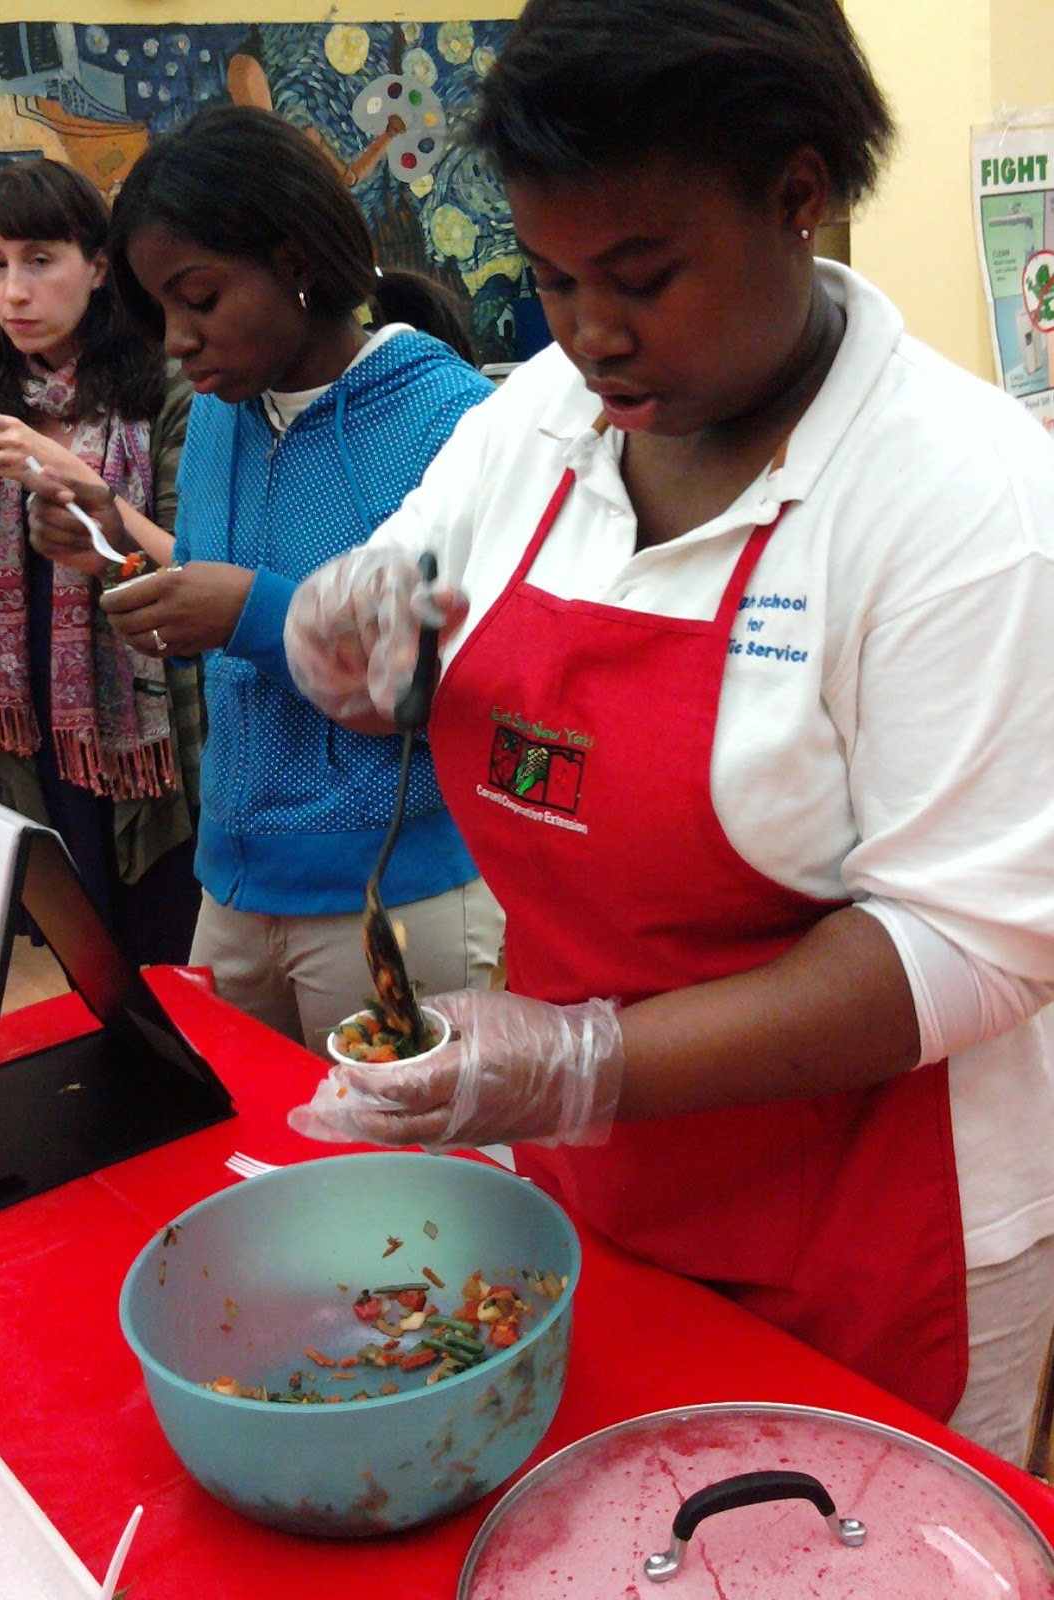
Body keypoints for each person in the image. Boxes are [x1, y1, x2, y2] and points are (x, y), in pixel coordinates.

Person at [281, 0, 1054, 1467]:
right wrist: (356, 626)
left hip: (872, 1231)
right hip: (593, 1181)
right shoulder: (540, 422)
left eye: (640, 276)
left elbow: (968, 945)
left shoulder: (966, 504)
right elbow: (416, 581)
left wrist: (581, 1063)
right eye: (549, 276)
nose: (586, 333)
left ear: (797, 195)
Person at [27, 105, 503, 1050]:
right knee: (245, 1169)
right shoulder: (220, 417)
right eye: (160, 311)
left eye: (199, 300)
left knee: (402, 1190)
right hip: (233, 886)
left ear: (295, 264)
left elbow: (463, 677)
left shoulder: (452, 421)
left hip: (391, 895)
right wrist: (116, 551)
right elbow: (224, 580)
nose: (176, 342)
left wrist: (248, 614)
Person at [0, 157, 203, 964]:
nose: (14, 292)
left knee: (169, 962)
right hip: (26, 743)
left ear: (99, 266)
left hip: (153, 745)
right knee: (76, 965)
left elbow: (202, 570)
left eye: (40, 260)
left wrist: (97, 500)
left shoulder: (168, 394)